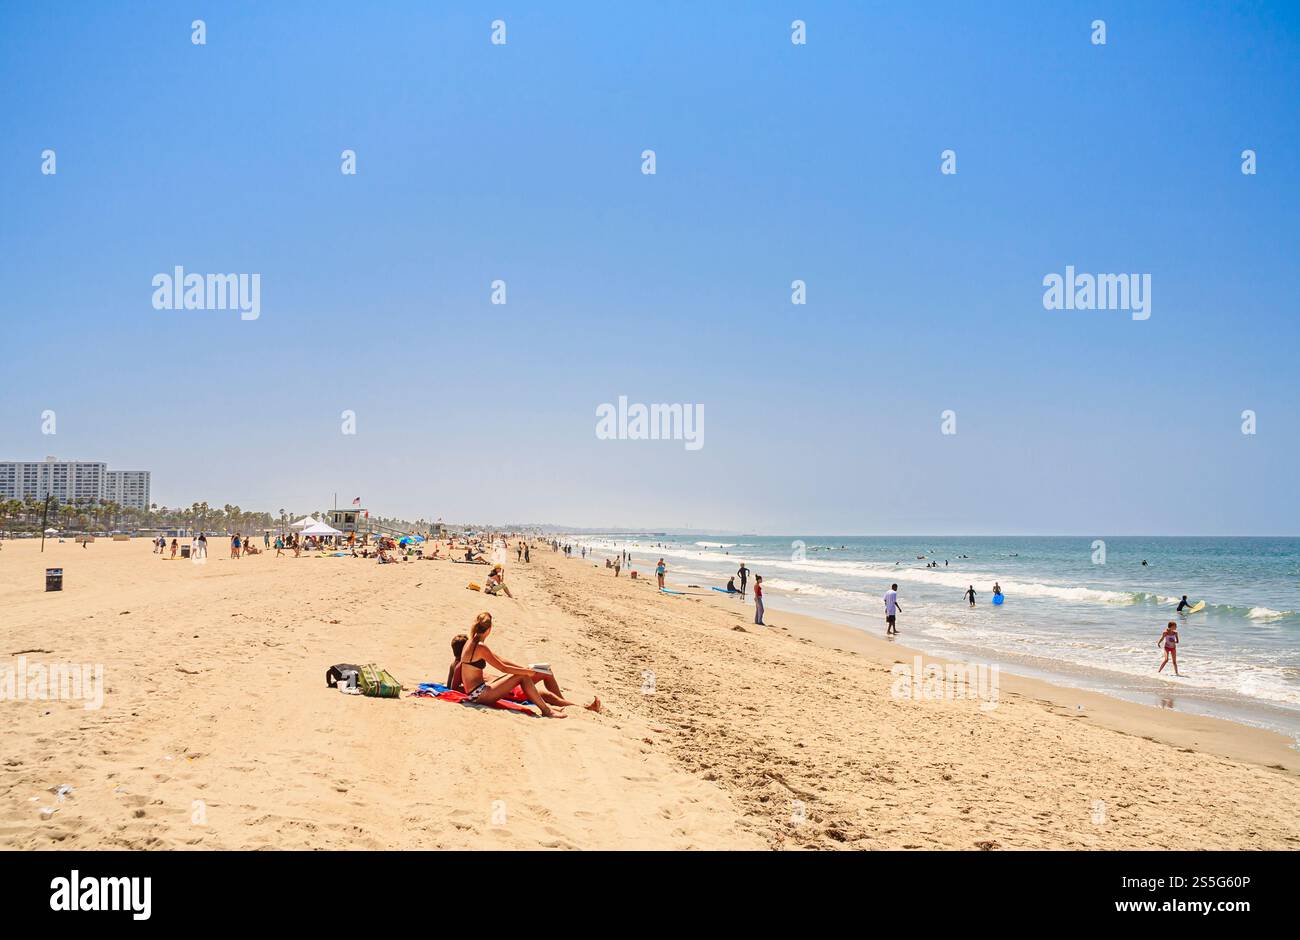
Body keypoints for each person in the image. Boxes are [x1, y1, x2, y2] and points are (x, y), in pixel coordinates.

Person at [458, 613, 566, 717]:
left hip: (476, 692)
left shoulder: (471, 641)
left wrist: (524, 668)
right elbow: (503, 668)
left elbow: (501, 660)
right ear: (489, 630)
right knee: (523, 676)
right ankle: (547, 711)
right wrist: (526, 672)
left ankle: (555, 704)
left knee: (523, 673)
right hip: (478, 695)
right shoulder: (480, 647)